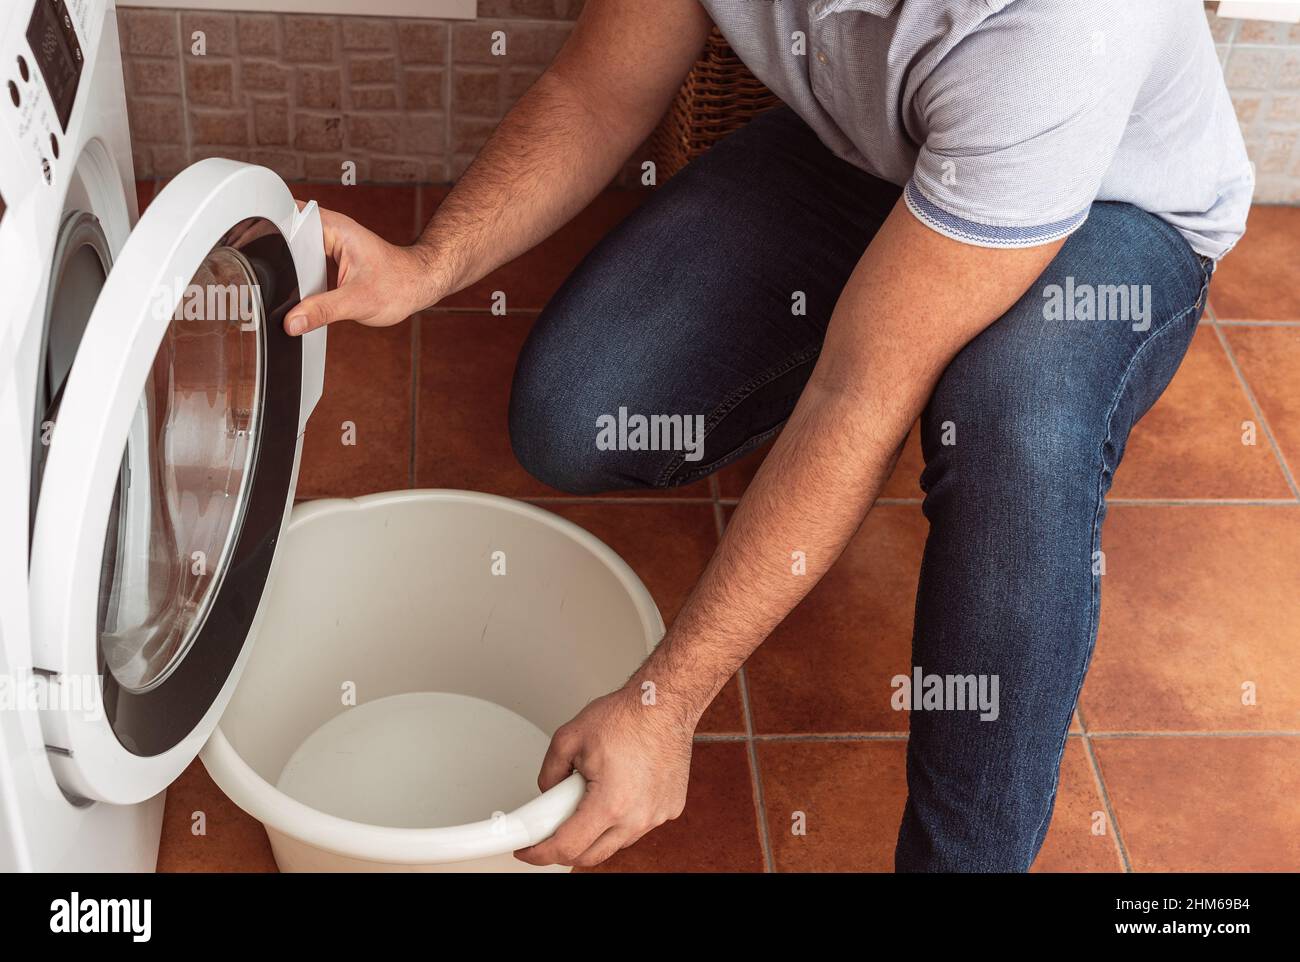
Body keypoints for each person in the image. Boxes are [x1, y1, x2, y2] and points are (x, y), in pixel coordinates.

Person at [283, 0, 1251, 871]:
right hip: (880, 157)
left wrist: (664, 701)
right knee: (577, 416)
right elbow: (594, 90)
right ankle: (894, 313)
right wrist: (428, 264)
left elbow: (855, 392)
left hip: (1110, 212)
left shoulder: (1062, 31)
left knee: (1012, 429)